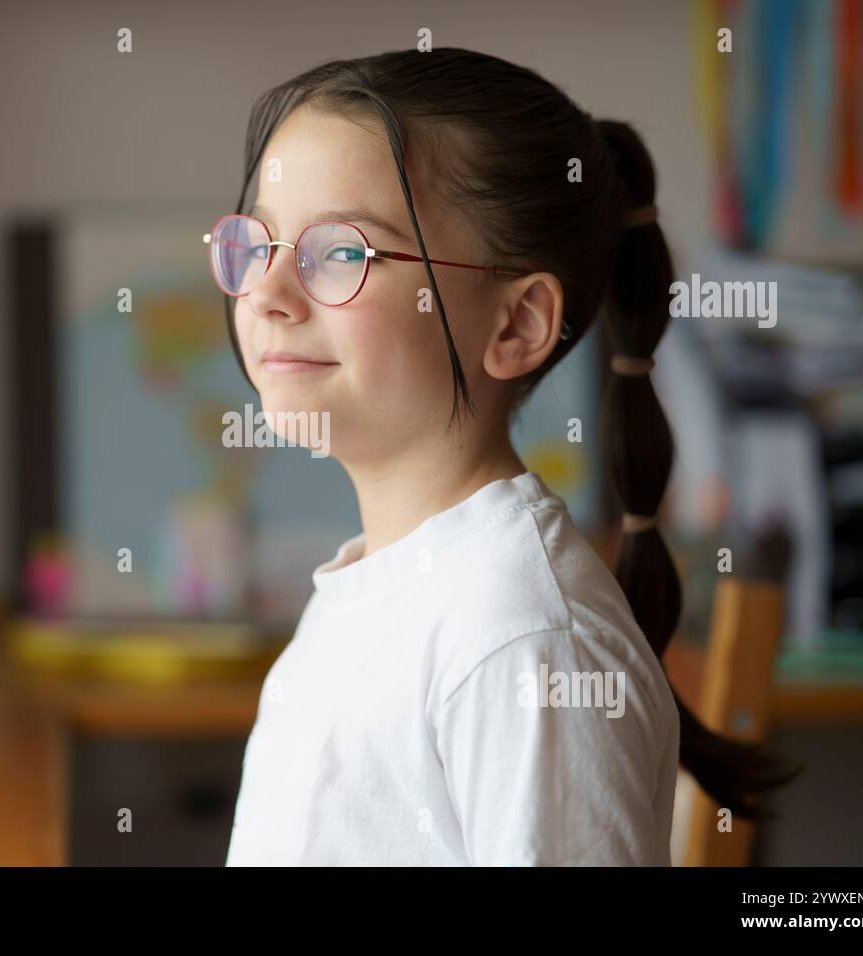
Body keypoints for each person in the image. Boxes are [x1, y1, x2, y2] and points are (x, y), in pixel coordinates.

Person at [209, 48, 799, 865]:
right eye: (258, 242)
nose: (268, 294)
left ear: (517, 325)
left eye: (342, 252)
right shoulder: (376, 595)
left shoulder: (523, 641)